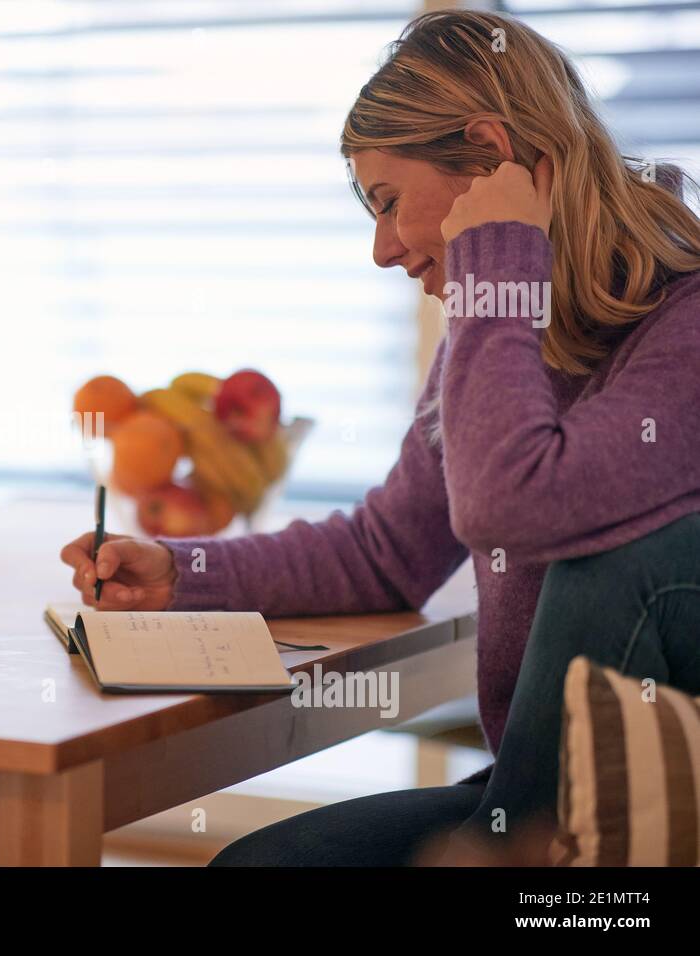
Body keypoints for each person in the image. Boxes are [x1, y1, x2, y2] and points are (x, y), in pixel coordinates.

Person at [60, 10, 700, 866]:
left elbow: (509, 507)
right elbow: (386, 550)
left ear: (491, 155)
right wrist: (185, 571)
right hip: (519, 792)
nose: (381, 249)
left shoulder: (678, 322)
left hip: (638, 815)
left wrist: (500, 262)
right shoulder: (501, 328)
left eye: (389, 203)